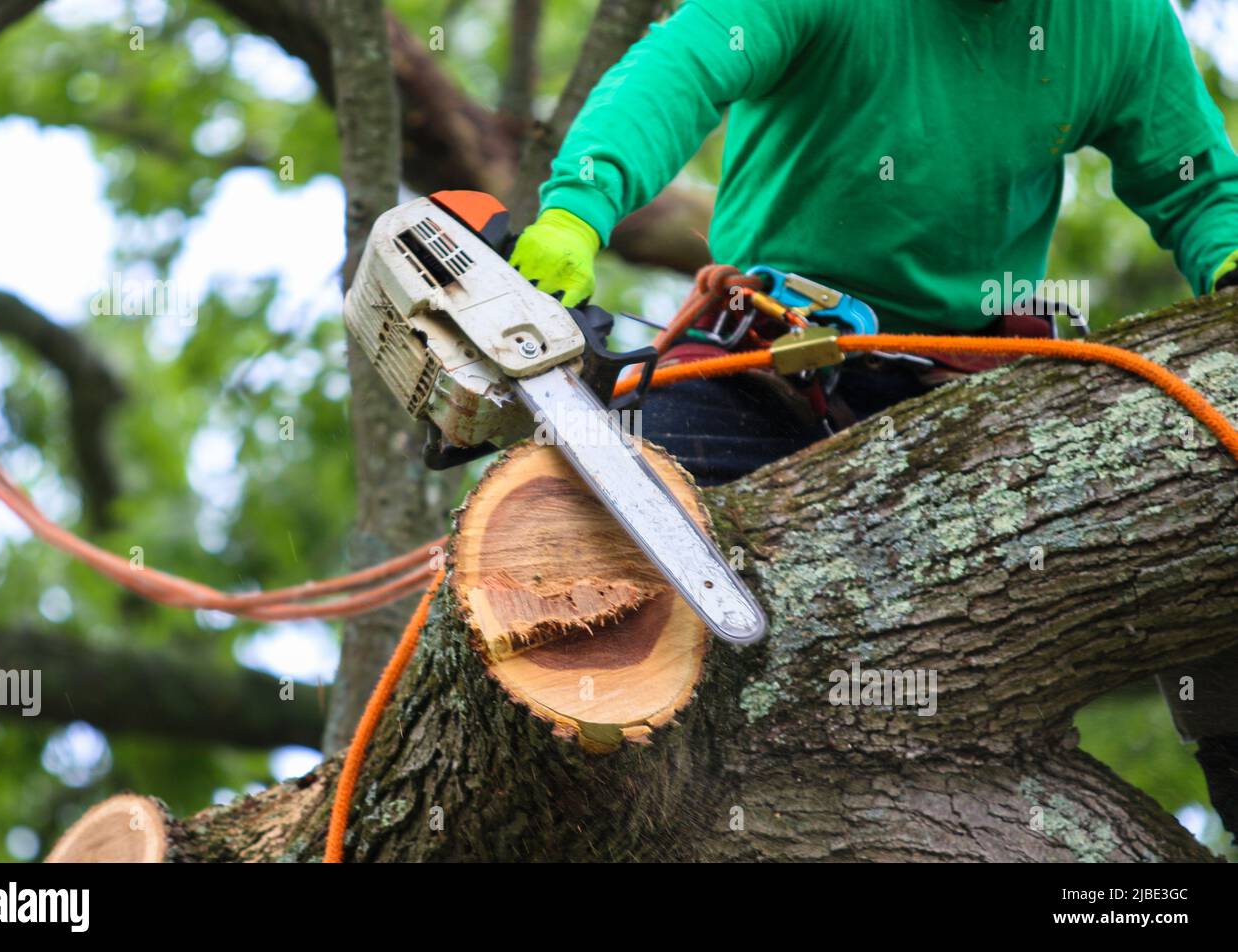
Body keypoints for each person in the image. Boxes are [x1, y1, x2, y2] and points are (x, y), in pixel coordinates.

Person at [511, 0, 1238, 839]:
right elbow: (678, 67)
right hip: (757, 372)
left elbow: (1197, 184)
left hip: (970, 404)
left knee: (1199, 475)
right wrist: (579, 208)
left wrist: (1227, 261)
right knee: (591, 537)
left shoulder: (1115, 21)